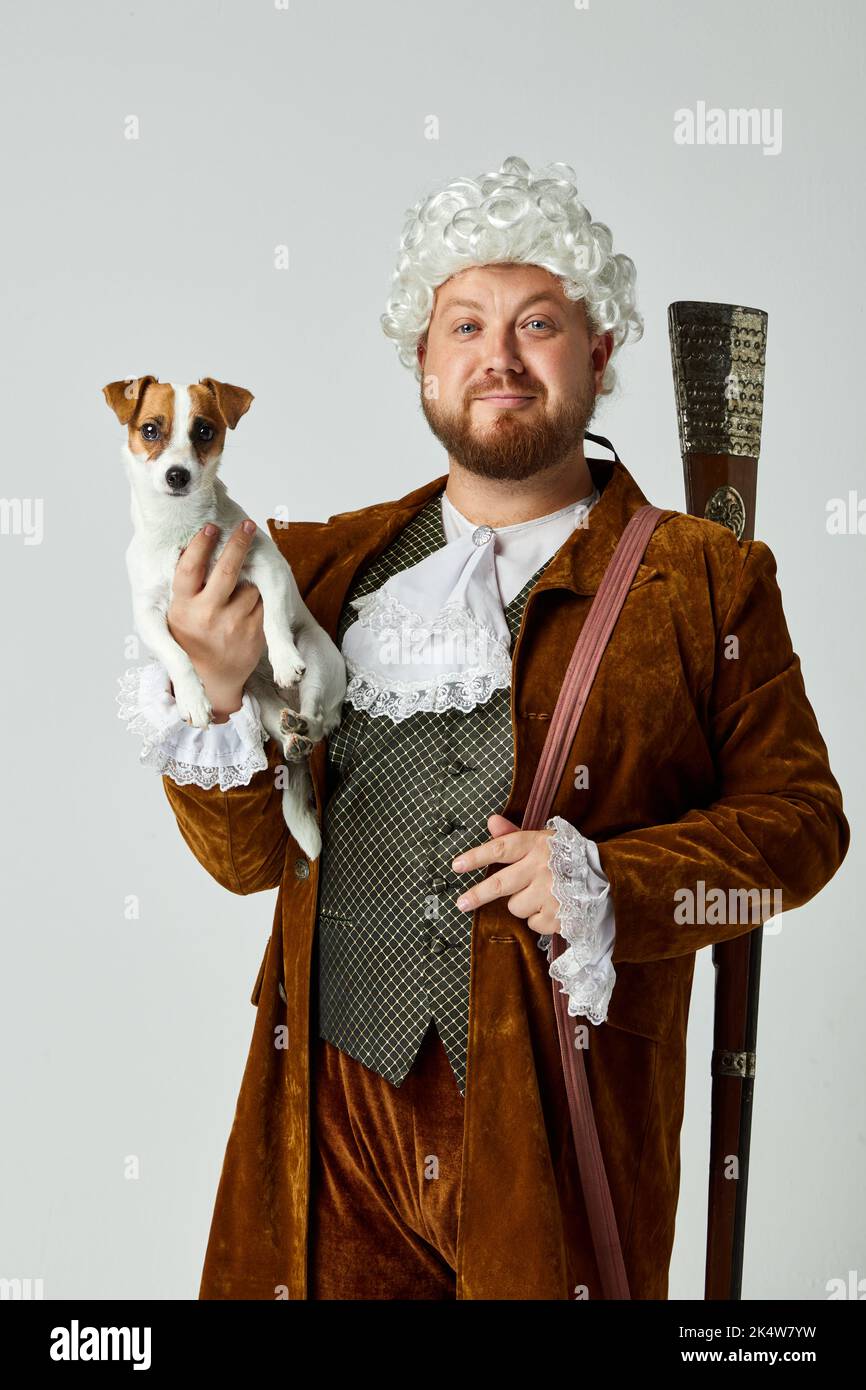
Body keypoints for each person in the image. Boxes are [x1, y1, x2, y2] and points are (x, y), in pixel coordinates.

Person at [117, 155, 849, 1299]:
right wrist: (214, 694)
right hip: (322, 1127)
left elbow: (801, 832)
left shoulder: (704, 579)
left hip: (558, 1127)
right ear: (422, 359)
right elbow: (251, 861)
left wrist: (612, 879)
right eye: (463, 324)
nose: (497, 357)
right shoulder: (316, 564)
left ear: (598, 356)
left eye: (537, 323)